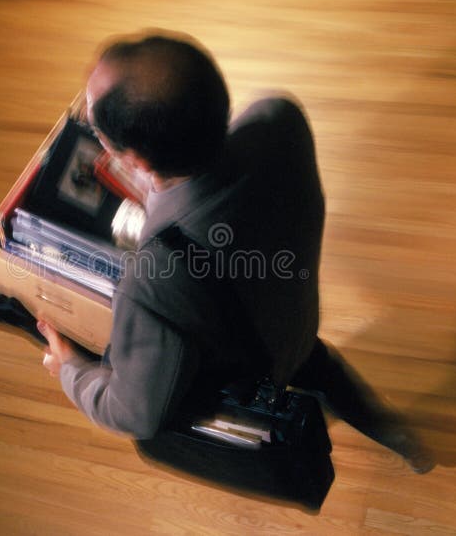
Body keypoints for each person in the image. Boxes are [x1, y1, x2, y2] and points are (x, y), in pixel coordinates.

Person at [38, 31, 433, 473]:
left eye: (96, 128)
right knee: (324, 374)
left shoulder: (151, 283)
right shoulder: (277, 117)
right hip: (296, 321)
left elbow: (134, 413)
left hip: (248, 371)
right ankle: (396, 434)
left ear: (137, 161)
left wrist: (70, 368)